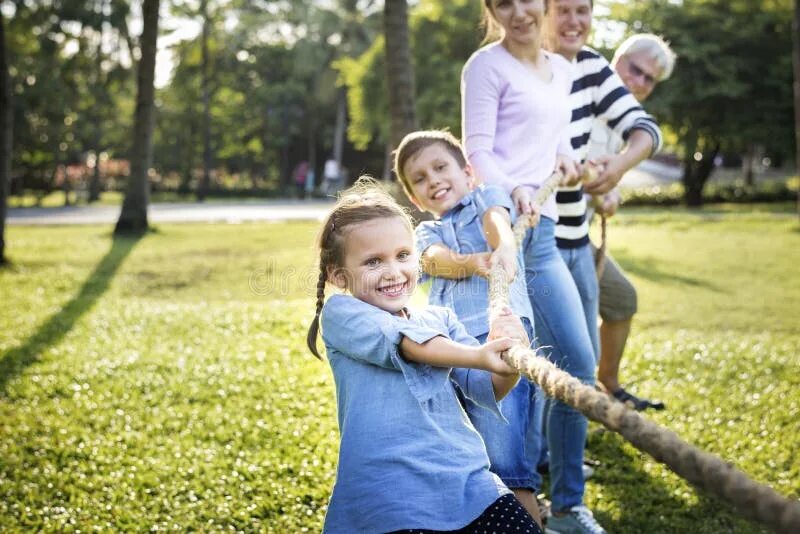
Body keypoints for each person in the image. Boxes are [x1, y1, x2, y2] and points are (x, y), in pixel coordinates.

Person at [307, 179, 543, 533]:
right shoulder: (342, 314)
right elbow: (410, 345)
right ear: (340, 276)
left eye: (403, 255)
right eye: (373, 262)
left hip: (467, 481)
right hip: (391, 494)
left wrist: (509, 360)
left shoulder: (439, 318)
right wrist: (480, 355)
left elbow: (486, 386)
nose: (393, 271)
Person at [461, 2, 605, 532]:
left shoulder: (561, 69)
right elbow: (476, 152)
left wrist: (564, 157)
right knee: (510, 376)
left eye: (528, 0)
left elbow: (554, 135)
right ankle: (507, 501)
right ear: (492, 9)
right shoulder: (485, 67)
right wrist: (515, 187)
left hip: (539, 235)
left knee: (575, 367)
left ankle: (567, 506)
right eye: (504, 1)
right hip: (500, 231)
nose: (518, 11)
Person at [394, 129, 545, 525]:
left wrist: (504, 249)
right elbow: (431, 258)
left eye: (440, 167)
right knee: (469, 458)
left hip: (499, 338)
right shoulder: (427, 231)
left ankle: (528, 520)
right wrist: (467, 263)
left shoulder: (486, 198)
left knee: (505, 463)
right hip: (452, 353)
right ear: (413, 198)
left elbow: (497, 221)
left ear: (467, 172)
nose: (433, 180)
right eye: (420, 179)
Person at [585, 34, 676, 410]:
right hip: (544, 237)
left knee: (622, 299)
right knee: (567, 333)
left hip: (576, 238)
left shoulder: (625, 123)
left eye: (648, 79)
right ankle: (545, 437)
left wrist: (607, 192)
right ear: (615, 60)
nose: (637, 82)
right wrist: (599, 189)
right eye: (633, 69)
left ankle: (608, 384)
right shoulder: (581, 98)